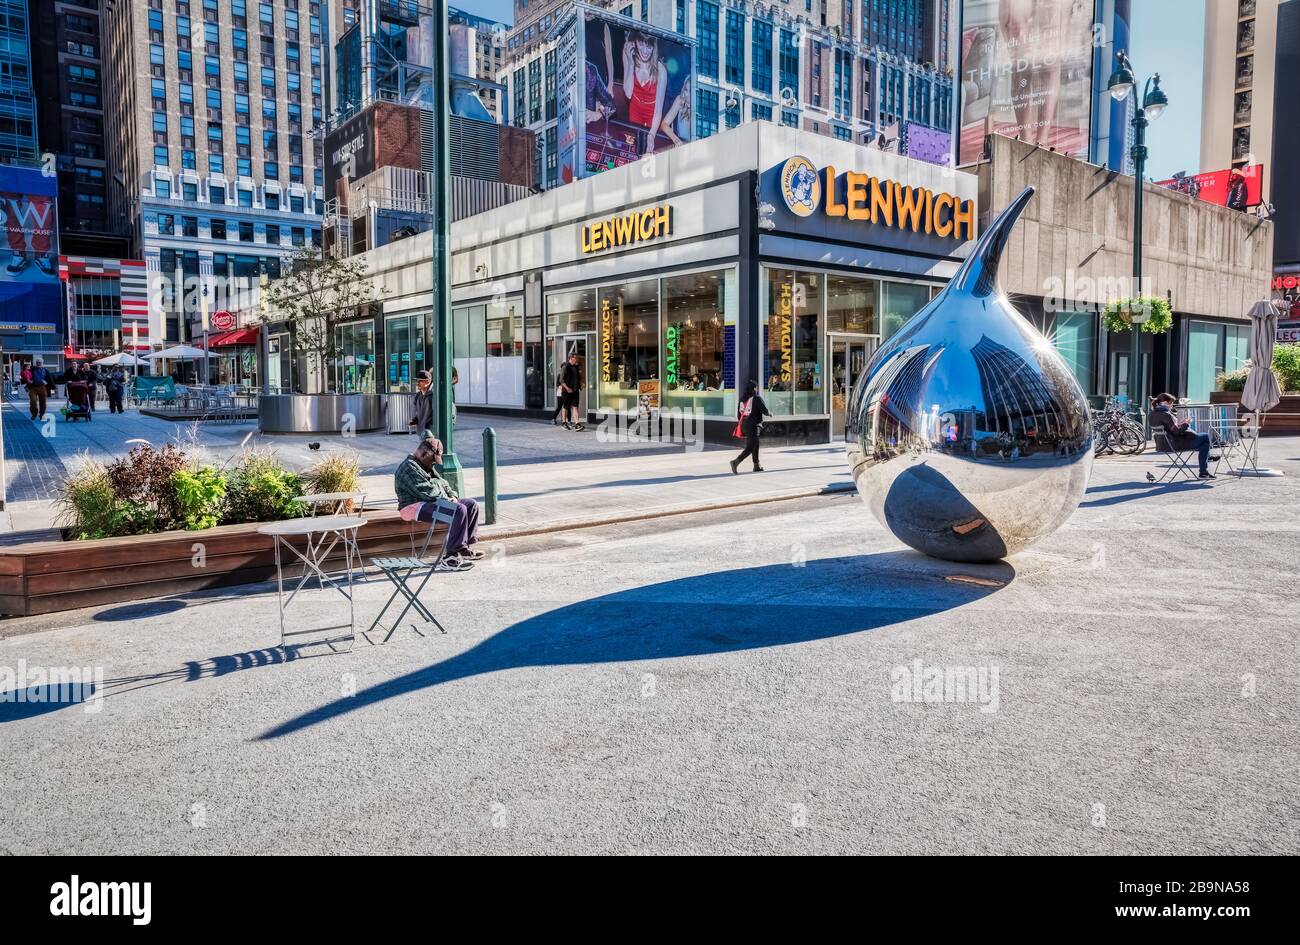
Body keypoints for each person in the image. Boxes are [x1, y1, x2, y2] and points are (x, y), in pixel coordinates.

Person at [394, 436, 485, 570]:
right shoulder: (409, 467)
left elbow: (443, 483)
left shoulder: (424, 464)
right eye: (433, 460)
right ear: (424, 453)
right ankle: (450, 558)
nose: (434, 463)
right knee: (458, 510)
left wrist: (452, 495)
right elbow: (426, 491)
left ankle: (463, 548)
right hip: (413, 507)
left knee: (471, 505)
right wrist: (448, 499)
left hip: (431, 501)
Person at [1148, 393, 1218, 480]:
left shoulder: (1151, 414)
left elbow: (1171, 428)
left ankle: (1204, 470)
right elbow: (1176, 432)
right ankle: (1205, 465)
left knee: (1204, 446)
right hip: (1174, 443)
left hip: (1162, 444)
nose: (1172, 405)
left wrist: (1180, 424)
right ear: (1165, 402)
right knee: (1205, 436)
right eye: (1171, 403)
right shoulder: (1166, 414)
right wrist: (1186, 424)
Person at [622, 31, 667, 155]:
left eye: (649, 46)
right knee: (632, 149)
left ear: (654, 47)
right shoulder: (628, 56)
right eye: (641, 44)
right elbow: (628, 93)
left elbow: (658, 110)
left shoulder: (661, 70)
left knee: (649, 153)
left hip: (652, 114)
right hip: (635, 108)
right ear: (635, 42)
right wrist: (631, 64)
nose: (645, 51)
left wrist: (651, 135)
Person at [730, 379, 771, 474]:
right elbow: (765, 410)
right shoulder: (756, 398)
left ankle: (756, 465)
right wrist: (770, 413)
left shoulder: (742, 399)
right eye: (756, 387)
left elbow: (739, 415)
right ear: (754, 388)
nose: (757, 389)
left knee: (755, 444)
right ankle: (736, 462)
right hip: (753, 425)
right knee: (751, 446)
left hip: (744, 425)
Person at [559, 351, 584, 431]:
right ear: (570, 358)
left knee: (575, 407)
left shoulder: (576, 367)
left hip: (575, 390)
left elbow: (578, 378)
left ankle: (577, 424)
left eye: (576, 358)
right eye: (575, 358)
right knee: (566, 406)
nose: (576, 359)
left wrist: (580, 384)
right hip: (566, 391)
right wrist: (567, 388)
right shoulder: (565, 367)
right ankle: (564, 423)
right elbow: (561, 380)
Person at [408, 369, 434, 439]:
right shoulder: (418, 395)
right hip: (421, 433)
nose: (417, 383)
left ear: (428, 382)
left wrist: (429, 427)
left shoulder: (433, 396)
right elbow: (420, 413)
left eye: (420, 381)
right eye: (417, 381)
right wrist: (415, 420)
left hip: (431, 433)